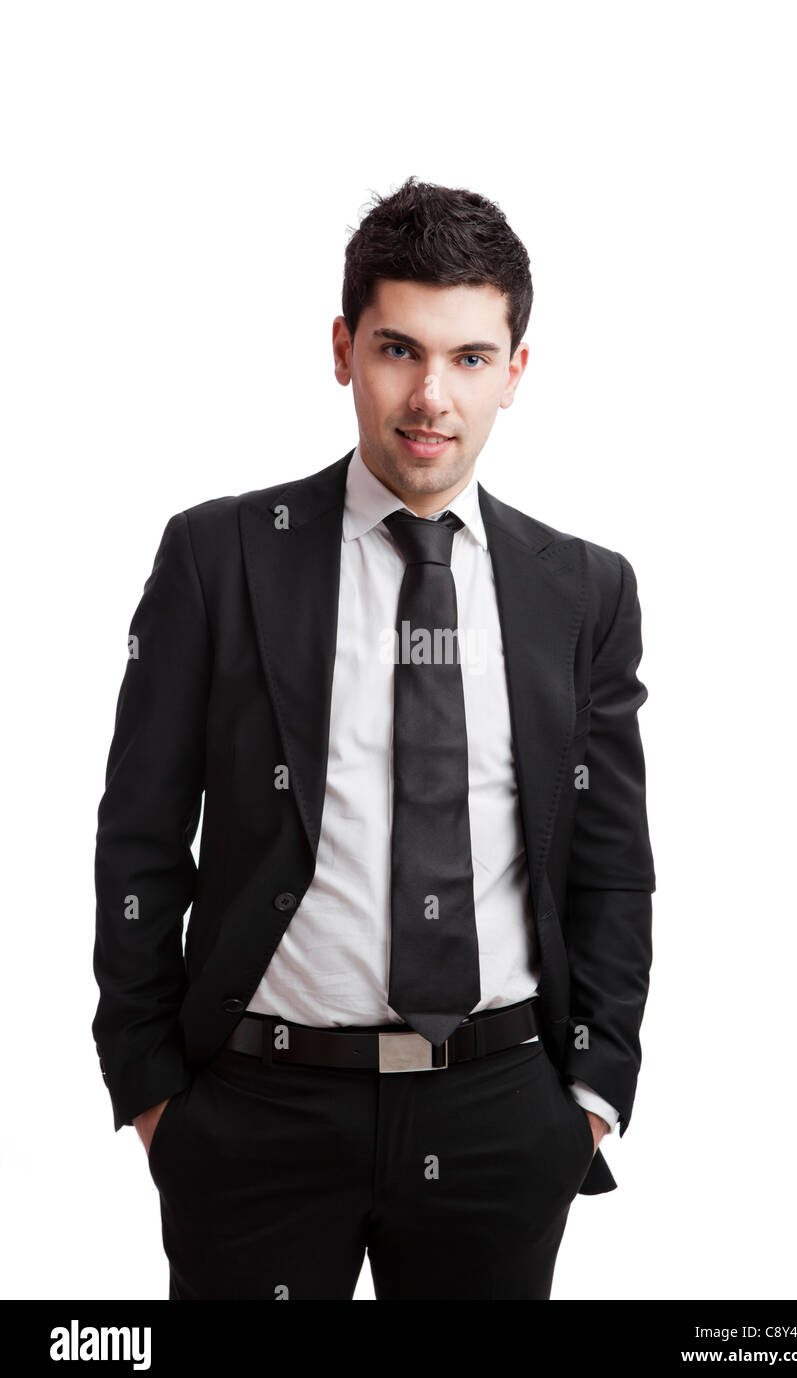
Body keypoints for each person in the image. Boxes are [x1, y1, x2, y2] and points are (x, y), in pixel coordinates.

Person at [92, 175, 656, 1300]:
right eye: (399, 349)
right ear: (343, 348)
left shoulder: (581, 590)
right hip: (259, 1108)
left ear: (515, 372)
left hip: (500, 1111)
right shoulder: (221, 556)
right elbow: (141, 836)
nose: (430, 397)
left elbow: (608, 862)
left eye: (469, 358)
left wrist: (589, 1096)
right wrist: (153, 1089)